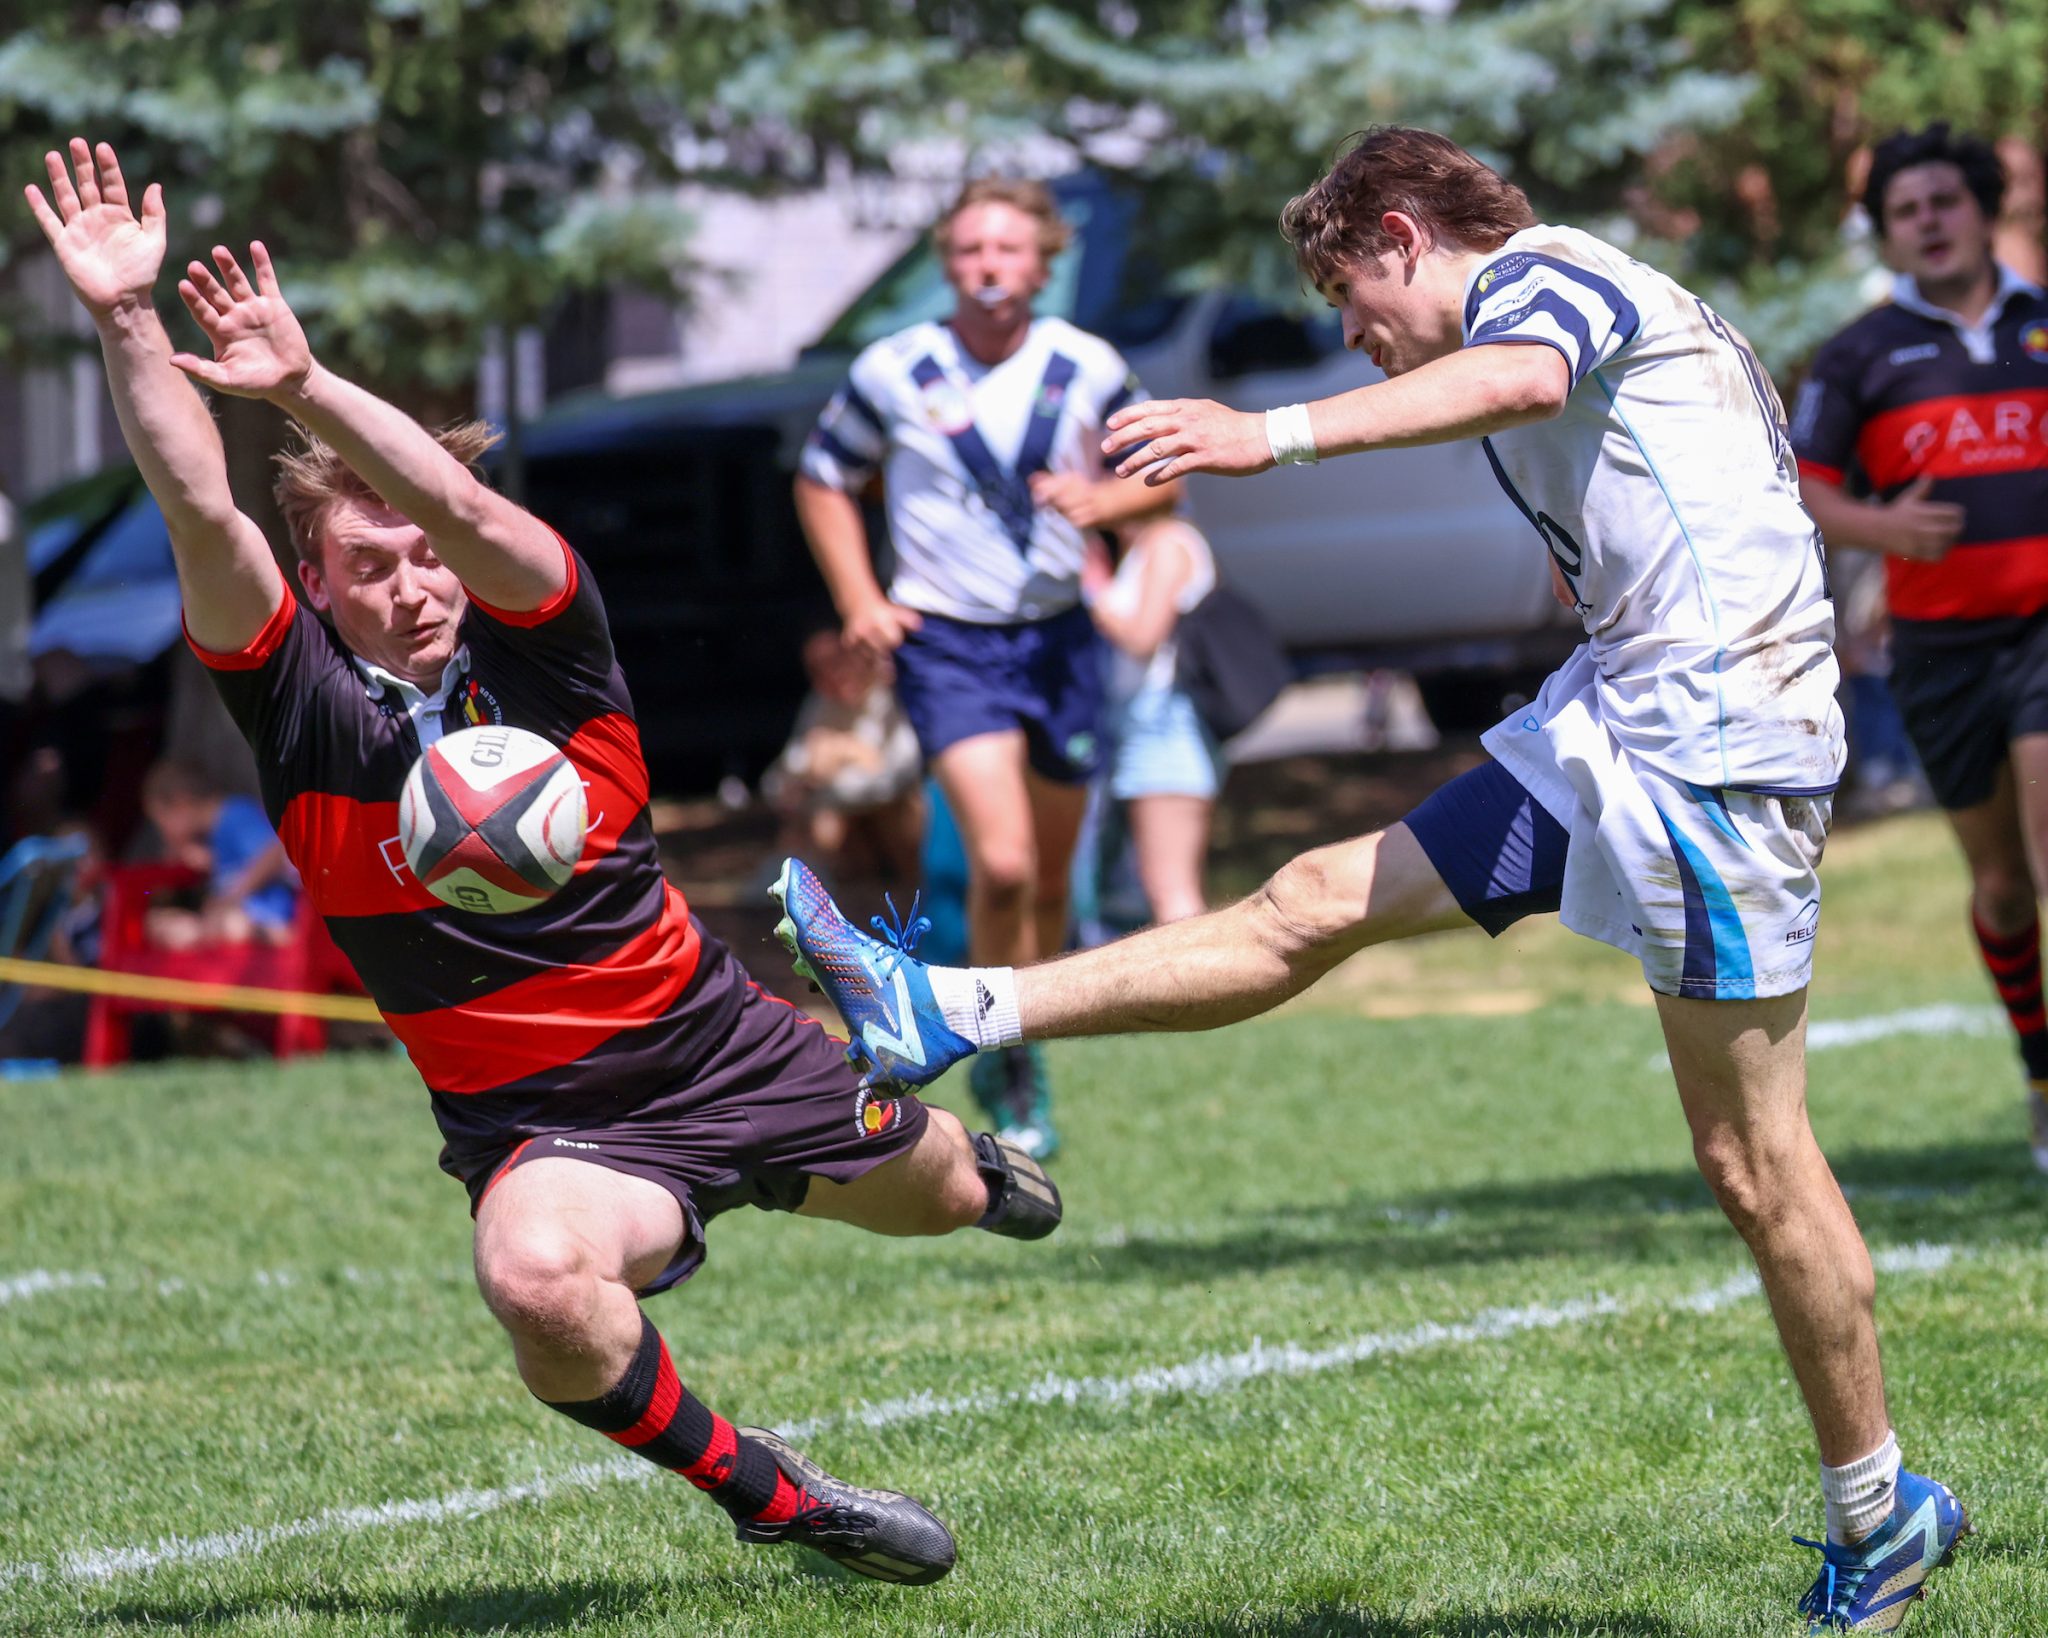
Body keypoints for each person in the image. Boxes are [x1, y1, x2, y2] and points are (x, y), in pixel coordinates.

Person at [774, 127, 1969, 1631]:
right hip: (1623, 725)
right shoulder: (1575, 300)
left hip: (1718, 757)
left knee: (1755, 1162)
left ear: (1402, 235)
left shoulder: (1548, 275)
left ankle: (1882, 1507)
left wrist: (1267, 437)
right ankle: (943, 1002)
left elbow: (1525, 378)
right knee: (1313, 899)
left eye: (1350, 293)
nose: (1352, 333)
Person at [28, 136, 1065, 1588]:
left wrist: (308, 385)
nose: (410, 585)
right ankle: (775, 1498)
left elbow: (484, 523)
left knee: (954, 1193)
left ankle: (971, 1154)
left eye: (422, 553)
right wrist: (125, 315)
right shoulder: (299, 699)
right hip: (544, 1125)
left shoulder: (559, 654)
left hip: (721, 1044)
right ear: (317, 583)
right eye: (366, 566)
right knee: (532, 1279)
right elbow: (204, 507)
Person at [793, 176, 1183, 1160]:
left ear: (1043, 264)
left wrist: (1107, 504)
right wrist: (858, 600)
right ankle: (1004, 1048)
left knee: (1050, 877)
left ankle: (1019, 1032)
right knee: (999, 861)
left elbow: (1164, 482)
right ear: (945, 263)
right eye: (968, 251)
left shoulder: (1083, 364)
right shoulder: (894, 367)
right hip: (946, 642)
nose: (986, 268)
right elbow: (822, 477)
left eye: (1007, 250)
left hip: (1056, 639)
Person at [1792, 123, 2048, 1172]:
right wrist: (1883, 531)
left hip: (2041, 632)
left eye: (1945, 200)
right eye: (1906, 211)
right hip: (1939, 653)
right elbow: (1802, 489)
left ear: (1982, 208)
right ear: (1887, 236)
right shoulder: (1859, 355)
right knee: (2001, 887)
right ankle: (2038, 1076)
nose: (1928, 221)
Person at [1080, 519, 1226, 924]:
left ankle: (1200, 987)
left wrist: (1094, 594)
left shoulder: (1166, 541)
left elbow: (1144, 637)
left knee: (1171, 890)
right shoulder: (1143, 545)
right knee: (1165, 887)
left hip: (1165, 726)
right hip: (1147, 724)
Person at [760, 627, 923, 887]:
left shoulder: (896, 698)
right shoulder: (820, 704)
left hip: (899, 822)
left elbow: (894, 780)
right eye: (817, 669)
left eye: (837, 662)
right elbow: (781, 777)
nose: (831, 675)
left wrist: (840, 757)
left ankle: (912, 889)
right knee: (819, 822)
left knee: (885, 812)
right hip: (849, 822)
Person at [138, 756, 300, 949]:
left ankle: (266, 934)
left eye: (162, 822)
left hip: (266, 914)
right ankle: (200, 933)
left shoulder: (234, 814)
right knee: (159, 924)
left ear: (182, 803)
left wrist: (232, 896)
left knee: (232, 924)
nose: (164, 834)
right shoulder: (213, 836)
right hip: (234, 917)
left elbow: (274, 852)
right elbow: (234, 866)